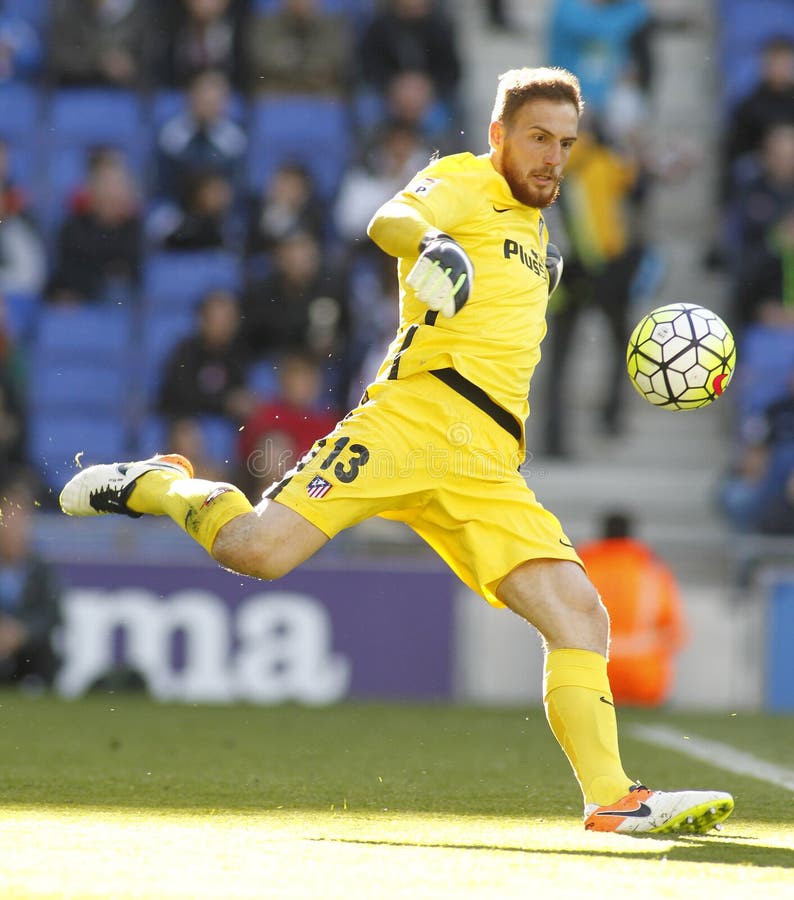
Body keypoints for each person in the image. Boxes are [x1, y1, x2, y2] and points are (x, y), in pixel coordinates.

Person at [59, 67, 734, 836]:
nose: (553, 157)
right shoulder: (461, 182)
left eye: (566, 144)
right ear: (498, 136)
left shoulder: (542, 235)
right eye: (538, 139)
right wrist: (436, 245)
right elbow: (390, 220)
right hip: (409, 421)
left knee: (582, 615)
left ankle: (612, 798)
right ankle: (163, 486)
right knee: (255, 552)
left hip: (487, 461)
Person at [577, 511, 688, 707]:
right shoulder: (651, 569)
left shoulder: (581, 568)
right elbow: (674, 631)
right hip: (644, 678)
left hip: (590, 676)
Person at [0, 473, 62, 689]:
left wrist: (21, 632)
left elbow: (52, 613)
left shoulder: (41, 569)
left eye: (18, 518)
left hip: (27, 650)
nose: (11, 526)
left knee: (44, 651)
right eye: (6, 517)